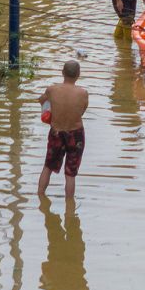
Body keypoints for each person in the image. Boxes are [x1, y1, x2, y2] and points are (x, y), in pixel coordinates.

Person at [38, 60, 89, 200]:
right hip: (76, 134)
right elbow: (81, 111)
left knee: (48, 167)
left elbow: (41, 100)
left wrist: (49, 111)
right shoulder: (83, 93)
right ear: (78, 75)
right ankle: (69, 206)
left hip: (56, 132)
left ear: (62, 73)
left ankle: (40, 198)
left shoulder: (51, 90)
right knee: (70, 174)